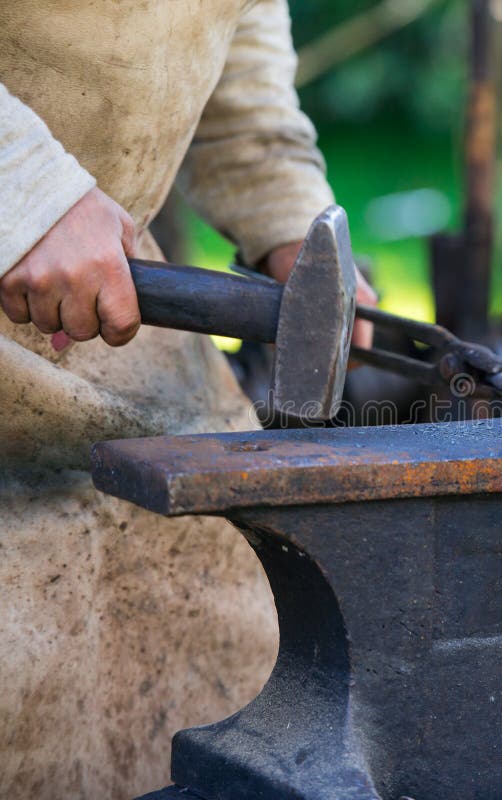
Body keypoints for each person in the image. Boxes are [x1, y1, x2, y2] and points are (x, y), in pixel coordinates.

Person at [0, 2, 375, 797]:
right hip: (48, 246)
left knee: (237, 623)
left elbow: (219, 33)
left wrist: (285, 216)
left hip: (114, 320)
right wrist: (22, 188)